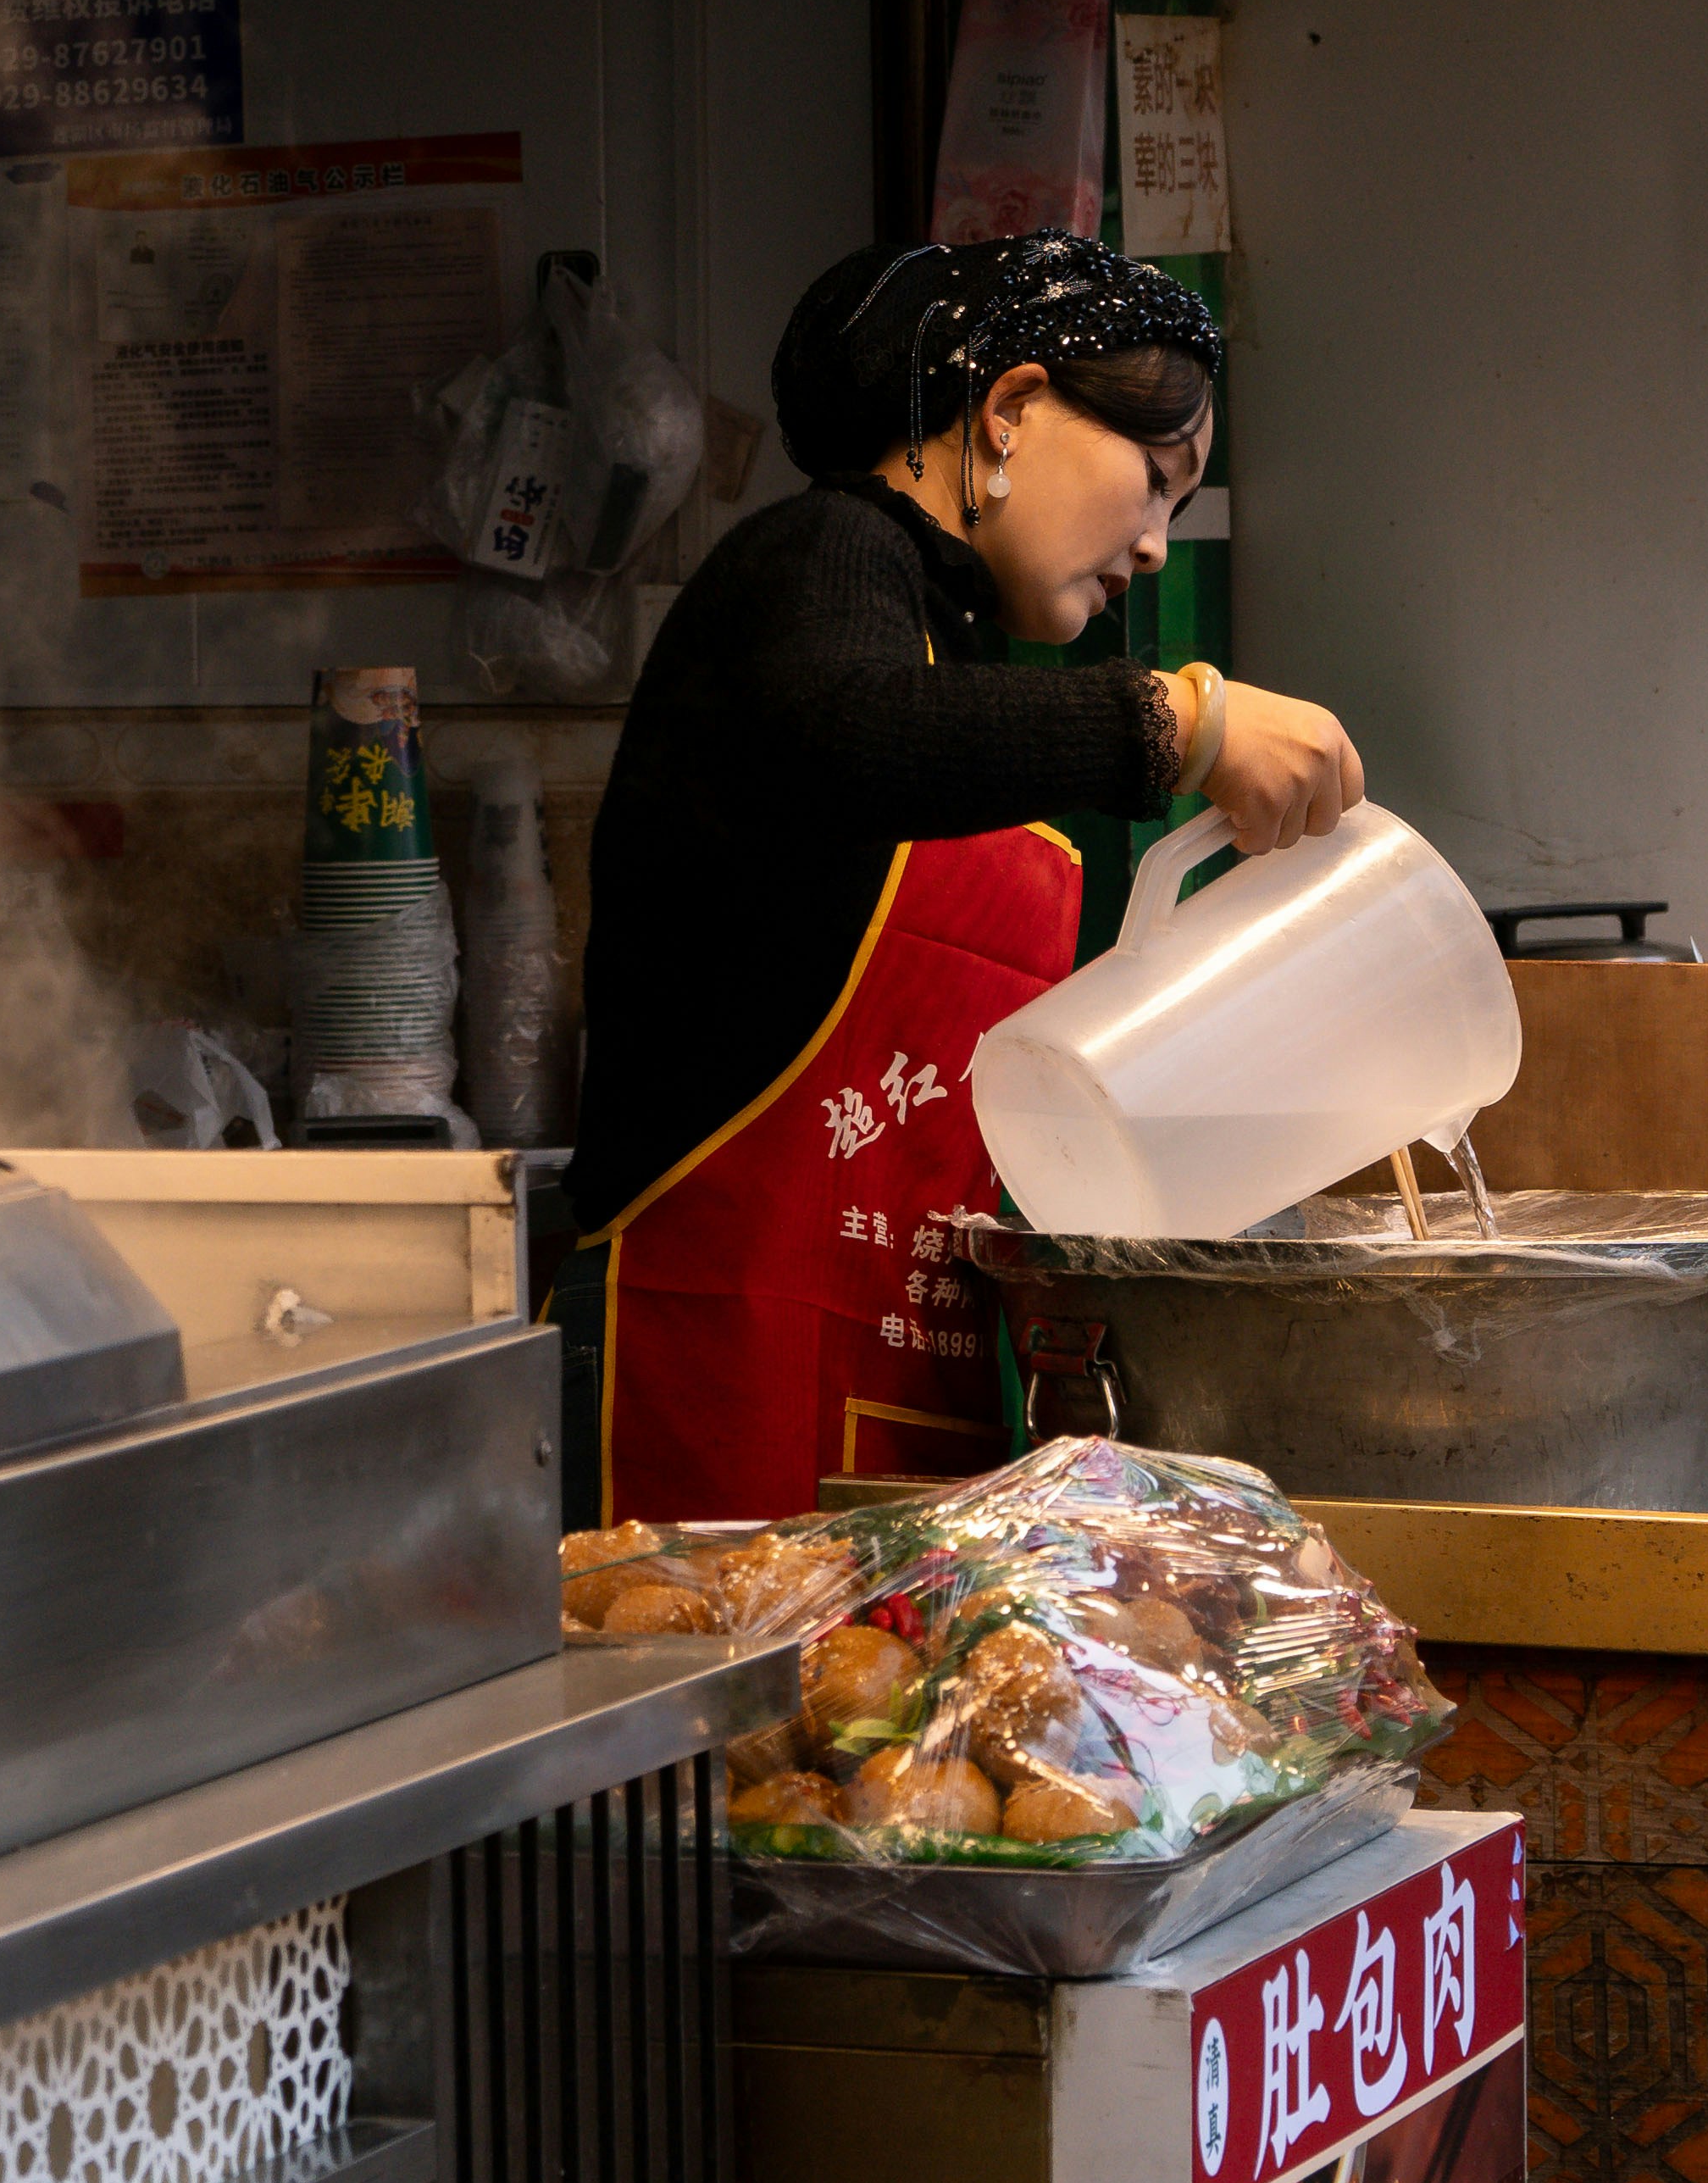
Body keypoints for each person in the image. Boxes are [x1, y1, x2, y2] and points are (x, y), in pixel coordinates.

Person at [561, 234, 1361, 1520]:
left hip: (898, 1401)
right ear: (1009, 410)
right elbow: (855, 734)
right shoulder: (819, 560)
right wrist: (1184, 727)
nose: (1156, 545)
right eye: (1156, 479)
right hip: (710, 1393)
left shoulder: (944, 661)